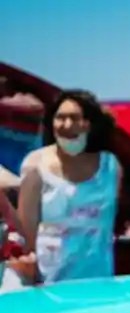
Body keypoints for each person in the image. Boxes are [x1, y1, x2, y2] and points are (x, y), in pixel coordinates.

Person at [12, 89, 121, 286]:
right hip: (50, 285)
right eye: (60, 118)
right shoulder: (36, 164)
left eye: (75, 118)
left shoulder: (110, 167)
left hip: (99, 283)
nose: (67, 125)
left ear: (89, 124)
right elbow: (26, 233)